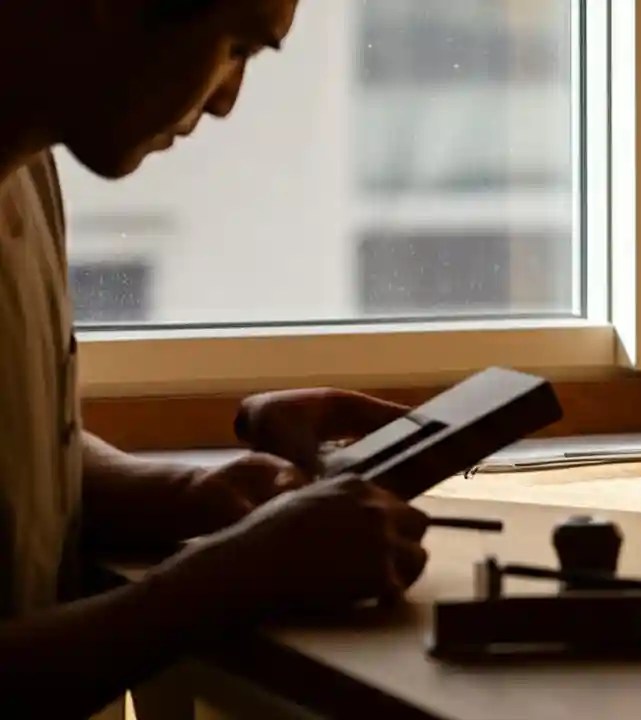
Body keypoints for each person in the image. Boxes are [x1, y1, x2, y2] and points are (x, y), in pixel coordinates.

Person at [0, 1, 435, 715]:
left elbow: (25, 446)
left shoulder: (26, 164)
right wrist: (232, 578)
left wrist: (190, 495)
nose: (229, 101)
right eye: (236, 46)